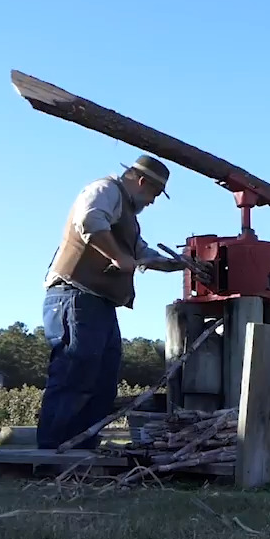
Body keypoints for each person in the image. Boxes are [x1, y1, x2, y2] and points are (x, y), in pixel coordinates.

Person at [35, 154, 186, 450]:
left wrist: (181, 264)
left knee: (103, 379)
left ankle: (82, 446)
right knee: (75, 373)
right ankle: (53, 452)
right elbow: (89, 219)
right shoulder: (105, 190)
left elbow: (143, 254)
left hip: (98, 302)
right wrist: (118, 256)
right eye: (154, 194)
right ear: (142, 182)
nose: (153, 202)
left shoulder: (128, 217)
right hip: (74, 295)